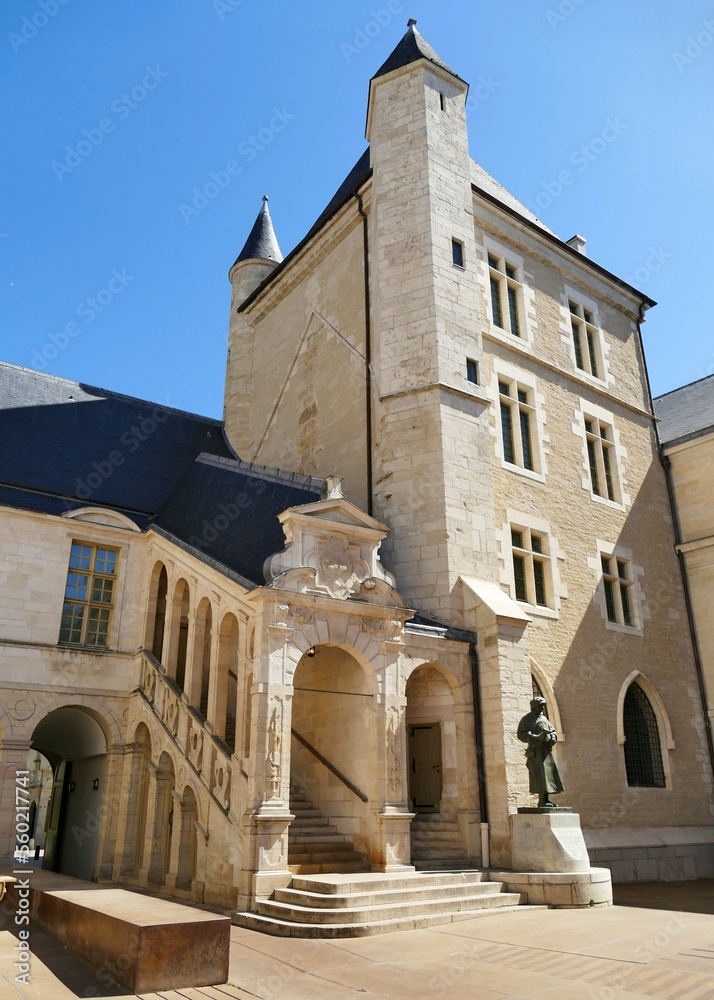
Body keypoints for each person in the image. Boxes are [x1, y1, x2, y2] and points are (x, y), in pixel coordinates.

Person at [516, 696, 564, 807]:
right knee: (540, 776)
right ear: (534, 707)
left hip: (546, 752)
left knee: (548, 777)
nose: (542, 708)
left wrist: (551, 737)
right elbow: (521, 734)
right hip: (536, 753)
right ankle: (542, 800)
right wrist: (536, 737)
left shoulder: (544, 719)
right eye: (540, 706)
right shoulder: (527, 719)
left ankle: (546, 799)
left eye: (543, 706)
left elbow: (553, 732)